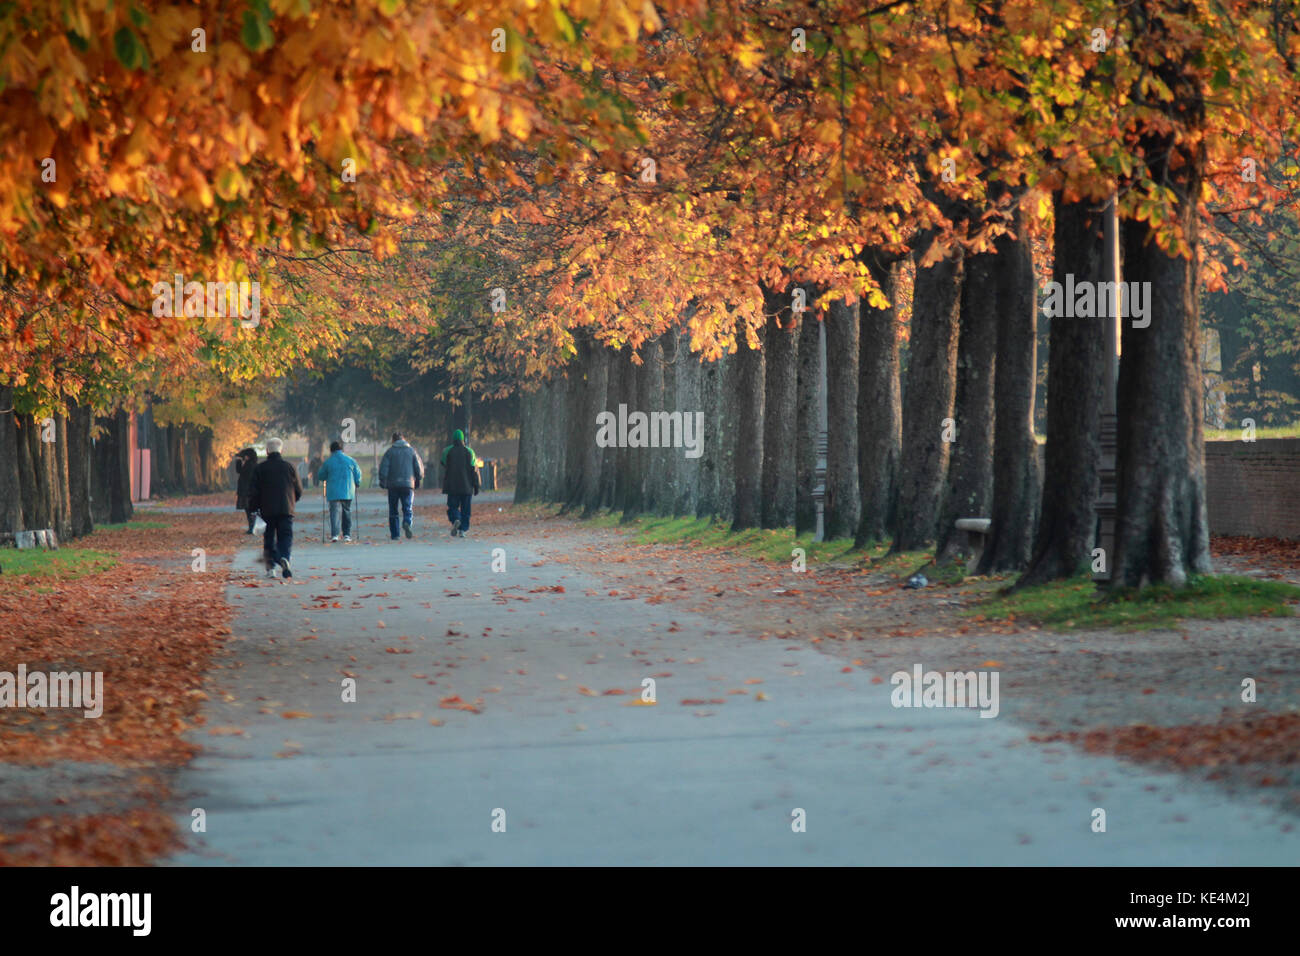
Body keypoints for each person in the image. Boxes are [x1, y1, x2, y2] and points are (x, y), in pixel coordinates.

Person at [249, 437, 302, 579]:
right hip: (286, 508)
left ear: (267, 451)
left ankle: (271, 568)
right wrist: (293, 500)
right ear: (281, 450)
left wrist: (254, 508)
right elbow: (298, 489)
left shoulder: (260, 469)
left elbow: (254, 492)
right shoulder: (289, 467)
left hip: (267, 510)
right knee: (286, 536)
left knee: (269, 538)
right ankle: (284, 557)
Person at [378, 432, 424, 541]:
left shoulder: (389, 452)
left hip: (393, 485)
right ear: (404, 439)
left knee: (393, 510)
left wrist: (382, 480)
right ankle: (407, 522)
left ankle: (395, 534)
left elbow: (384, 468)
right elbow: (418, 467)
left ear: (393, 440)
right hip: (408, 484)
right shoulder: (412, 451)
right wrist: (418, 478)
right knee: (407, 507)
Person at [316, 440, 362, 542]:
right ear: (342, 449)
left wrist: (325, 477)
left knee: (334, 512)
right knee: (347, 511)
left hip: (333, 491)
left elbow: (321, 476)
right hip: (348, 490)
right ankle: (347, 534)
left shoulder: (328, 462)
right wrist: (357, 482)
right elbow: (358, 473)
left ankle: (335, 535)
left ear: (331, 451)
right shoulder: (351, 460)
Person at [440, 429, 480, 537]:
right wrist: (476, 486)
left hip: (452, 486)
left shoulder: (447, 451)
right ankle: (463, 530)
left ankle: (456, 519)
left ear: (453, 439)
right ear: (463, 439)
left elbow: (443, 463)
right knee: (466, 510)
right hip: (467, 486)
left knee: (452, 507)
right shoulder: (470, 452)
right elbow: (474, 470)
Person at [234, 447, 258, 534]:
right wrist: (239, 460)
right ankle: (252, 526)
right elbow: (239, 471)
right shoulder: (251, 464)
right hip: (249, 490)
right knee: (250, 509)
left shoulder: (250, 465)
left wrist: (239, 460)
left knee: (249, 510)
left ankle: (252, 526)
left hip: (247, 491)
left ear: (248, 456)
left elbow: (240, 472)